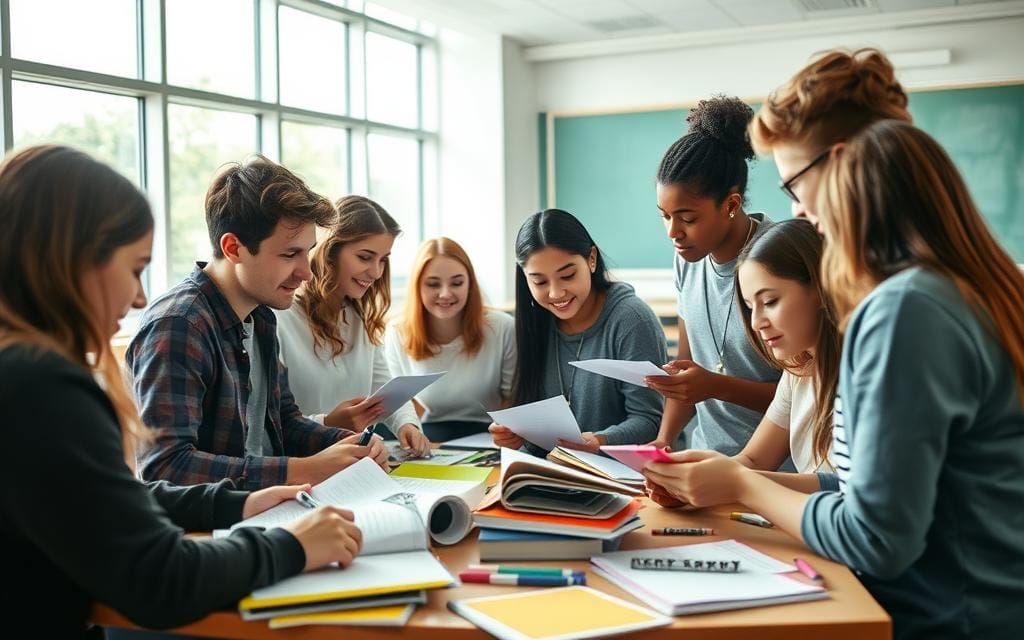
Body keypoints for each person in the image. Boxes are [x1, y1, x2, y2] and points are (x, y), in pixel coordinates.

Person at [644, 120, 1024, 640]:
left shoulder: (905, 312)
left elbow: (874, 537)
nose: (800, 212)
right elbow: (853, 487)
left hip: (949, 615)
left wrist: (740, 485)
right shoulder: (933, 301)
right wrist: (727, 480)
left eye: (798, 189)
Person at [0, 146, 365, 638]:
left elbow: (111, 497)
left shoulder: (26, 375)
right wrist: (294, 544)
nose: (139, 297)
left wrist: (237, 503)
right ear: (73, 262)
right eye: (135, 268)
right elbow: (161, 576)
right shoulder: (42, 387)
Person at [128, 156, 387, 490]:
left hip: (274, 505)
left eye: (307, 253)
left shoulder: (260, 316)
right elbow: (166, 468)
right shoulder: (179, 325)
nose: (306, 273)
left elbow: (284, 422)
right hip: (223, 519)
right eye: (289, 254)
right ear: (233, 248)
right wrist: (304, 470)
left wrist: (349, 444)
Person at [646, 219, 840, 511]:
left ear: (820, 288)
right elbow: (753, 459)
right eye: (750, 307)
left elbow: (842, 487)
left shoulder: (862, 372)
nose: (756, 323)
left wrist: (732, 483)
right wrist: (688, 482)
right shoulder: (797, 369)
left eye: (770, 301)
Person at [646, 95, 781, 460]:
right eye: (665, 216)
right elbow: (688, 367)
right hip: (706, 460)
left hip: (774, 471)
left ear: (731, 205)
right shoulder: (686, 260)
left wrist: (715, 386)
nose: (673, 232)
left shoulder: (778, 257)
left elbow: (805, 394)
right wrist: (662, 442)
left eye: (687, 218)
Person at [489, 209, 666, 453]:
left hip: (614, 470)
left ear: (591, 259)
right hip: (550, 467)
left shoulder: (631, 320)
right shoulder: (535, 321)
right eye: (540, 282)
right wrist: (514, 434)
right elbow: (532, 415)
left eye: (567, 275)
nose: (555, 293)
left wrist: (599, 442)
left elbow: (649, 421)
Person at [276, 195, 431, 457]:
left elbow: (384, 388)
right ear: (329, 253)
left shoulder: (358, 317)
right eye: (365, 257)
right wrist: (329, 423)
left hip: (351, 462)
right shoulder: (280, 318)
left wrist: (407, 424)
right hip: (302, 463)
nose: (376, 272)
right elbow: (270, 426)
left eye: (383, 259)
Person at [384, 237, 516, 443]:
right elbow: (402, 406)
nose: (445, 294)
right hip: (433, 435)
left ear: (470, 284)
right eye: (433, 284)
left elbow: (512, 399)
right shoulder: (397, 332)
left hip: (491, 433)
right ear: (417, 287)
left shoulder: (502, 327)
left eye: (457, 283)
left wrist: (505, 436)